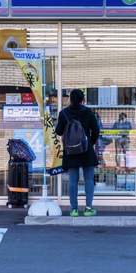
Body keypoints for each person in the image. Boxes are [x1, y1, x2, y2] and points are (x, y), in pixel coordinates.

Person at [55, 88, 101, 216]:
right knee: (89, 180)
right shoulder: (88, 112)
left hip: (71, 151)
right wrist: (90, 143)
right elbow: (96, 130)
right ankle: (88, 208)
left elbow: (58, 131)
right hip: (86, 150)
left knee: (73, 181)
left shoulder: (64, 113)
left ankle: (74, 209)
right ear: (83, 99)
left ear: (70, 99)